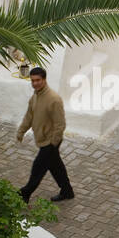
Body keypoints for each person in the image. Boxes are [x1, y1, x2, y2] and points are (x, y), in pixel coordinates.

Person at [16, 67, 73, 202]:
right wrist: (21, 131)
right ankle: (67, 191)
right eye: (32, 81)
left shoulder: (54, 99)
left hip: (50, 141)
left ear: (44, 80)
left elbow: (60, 124)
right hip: (43, 140)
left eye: (38, 80)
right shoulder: (35, 97)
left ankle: (24, 193)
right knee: (56, 166)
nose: (35, 83)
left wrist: (53, 143)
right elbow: (29, 116)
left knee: (38, 168)